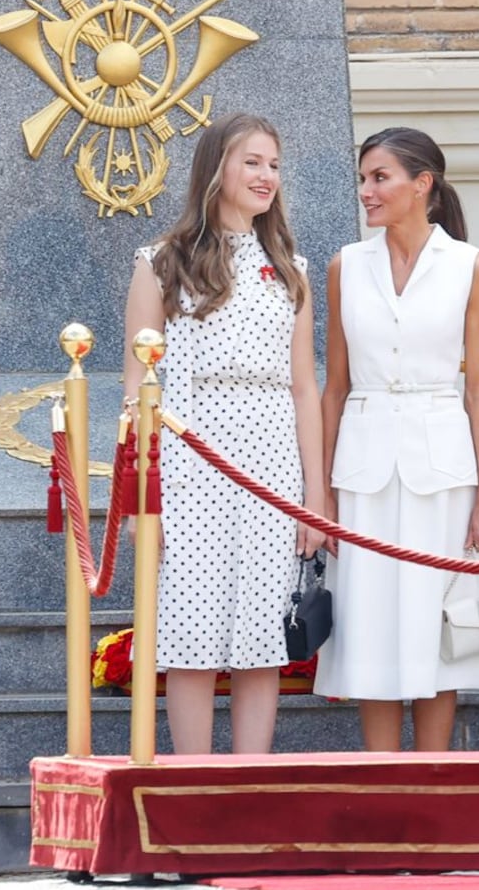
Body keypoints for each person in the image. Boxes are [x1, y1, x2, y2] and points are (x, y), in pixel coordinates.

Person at [123, 112, 325, 755]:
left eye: (273, 165)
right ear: (217, 169)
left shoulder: (289, 267)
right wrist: (138, 494)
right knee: (190, 631)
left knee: (263, 634)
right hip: (189, 464)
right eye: (252, 162)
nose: (266, 176)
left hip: (271, 465)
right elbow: (136, 390)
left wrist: (312, 500)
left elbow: (304, 390)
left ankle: (247, 790)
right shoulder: (162, 262)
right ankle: (192, 791)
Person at [313, 126, 479, 751]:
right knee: (369, 632)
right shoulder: (346, 265)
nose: (367, 191)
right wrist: (320, 494)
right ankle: (379, 794)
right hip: (362, 470)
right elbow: (334, 388)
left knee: (437, 632)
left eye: (381, 177)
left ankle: (432, 795)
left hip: (442, 469)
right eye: (365, 178)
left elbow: (478, 390)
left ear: (421, 184)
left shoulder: (467, 266)